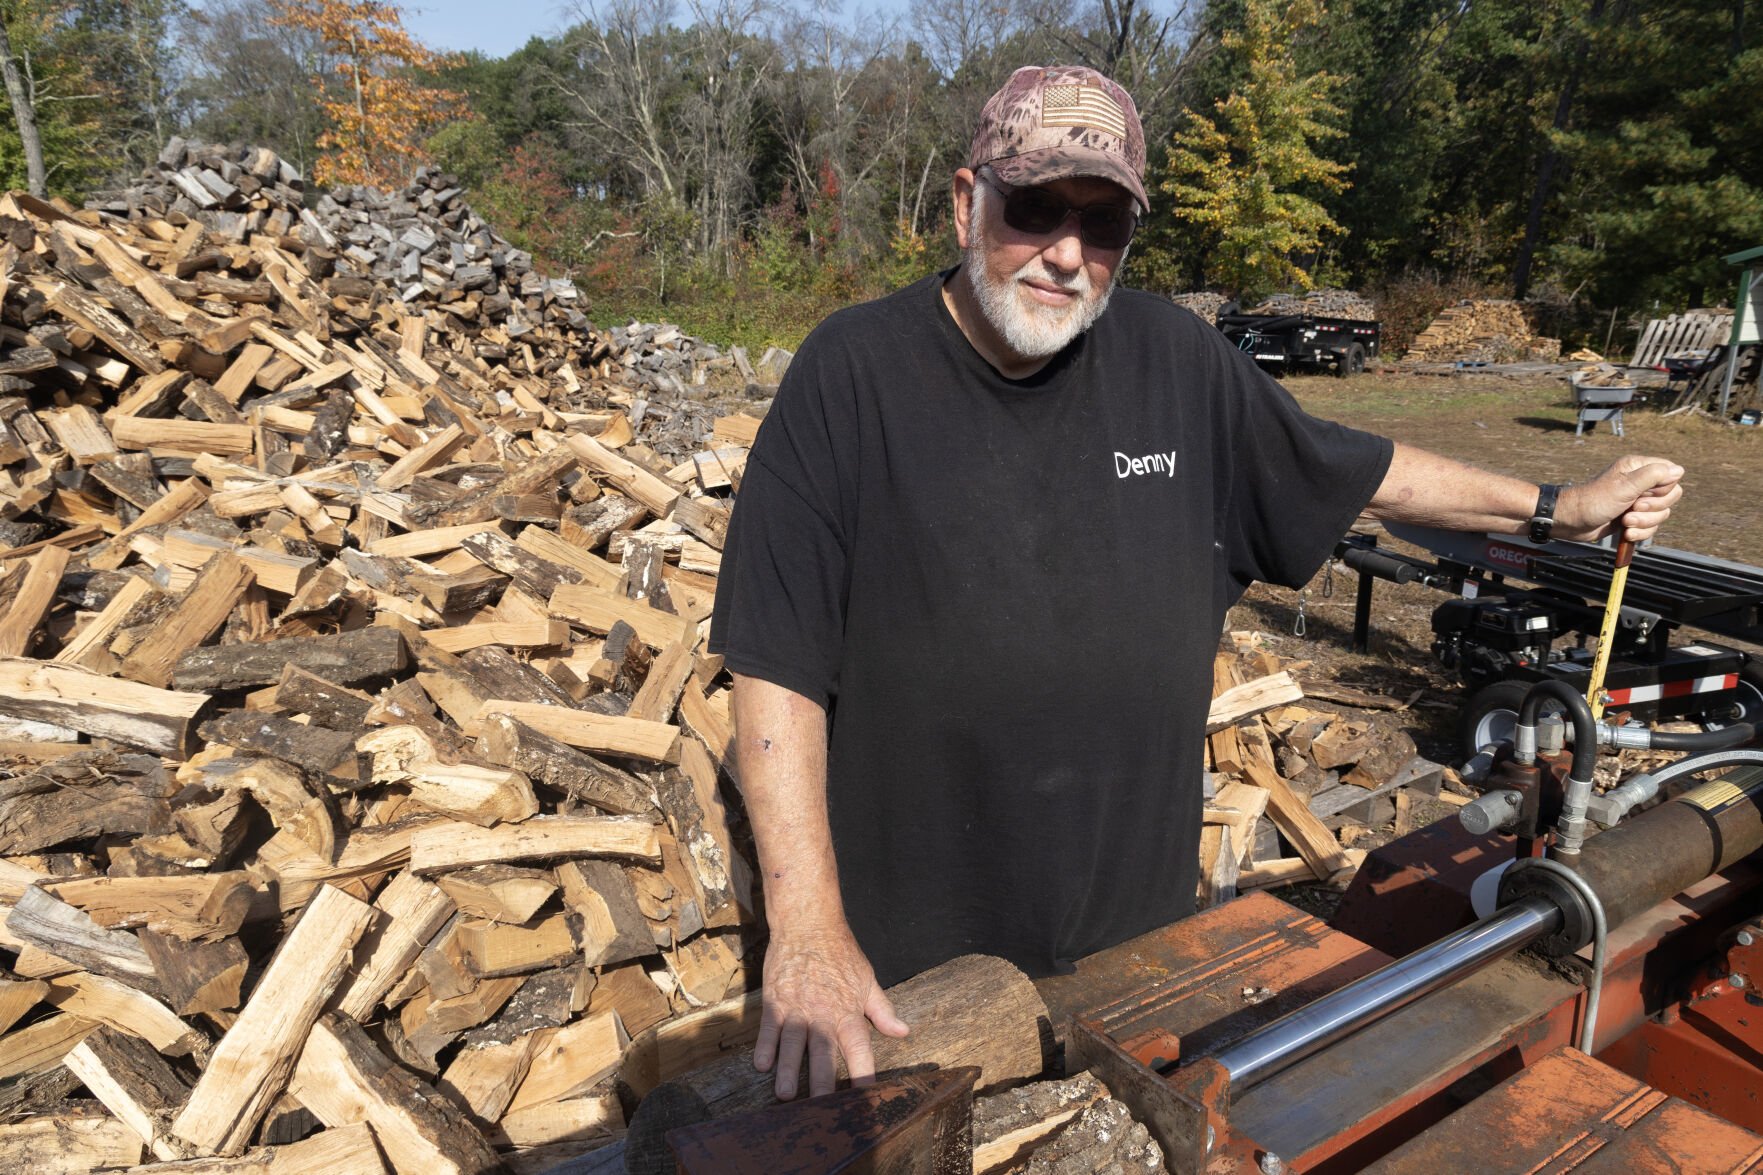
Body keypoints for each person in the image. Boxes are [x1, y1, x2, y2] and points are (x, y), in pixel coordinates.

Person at [706, 65, 1684, 1102]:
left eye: (1102, 224)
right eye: (1032, 208)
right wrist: (808, 930)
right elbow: (775, 660)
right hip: (915, 972)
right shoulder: (850, 373)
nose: (1066, 253)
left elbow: (1357, 470)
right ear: (963, 202)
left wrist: (1554, 506)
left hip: (1137, 955)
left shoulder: (1177, 362)